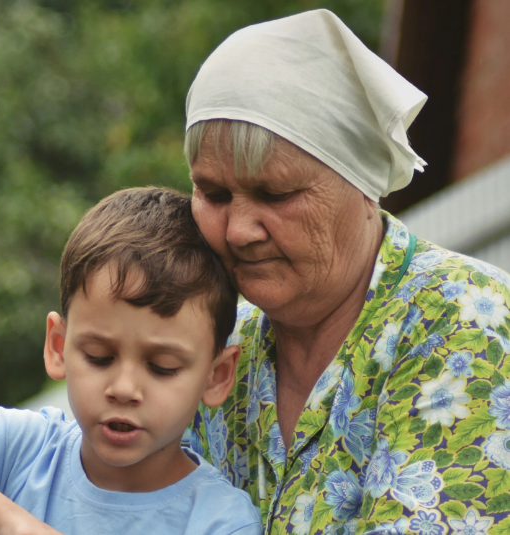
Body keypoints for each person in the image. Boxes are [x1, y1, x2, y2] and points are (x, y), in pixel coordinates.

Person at [182, 9, 510, 535]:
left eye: (275, 193)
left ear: (359, 183)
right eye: (214, 194)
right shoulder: (214, 343)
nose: (239, 229)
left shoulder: (461, 319)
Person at [0, 187, 263, 535]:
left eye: (162, 367)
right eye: (99, 358)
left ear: (216, 376)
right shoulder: (27, 450)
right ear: (58, 347)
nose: (124, 389)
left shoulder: (222, 521)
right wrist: (9, 521)